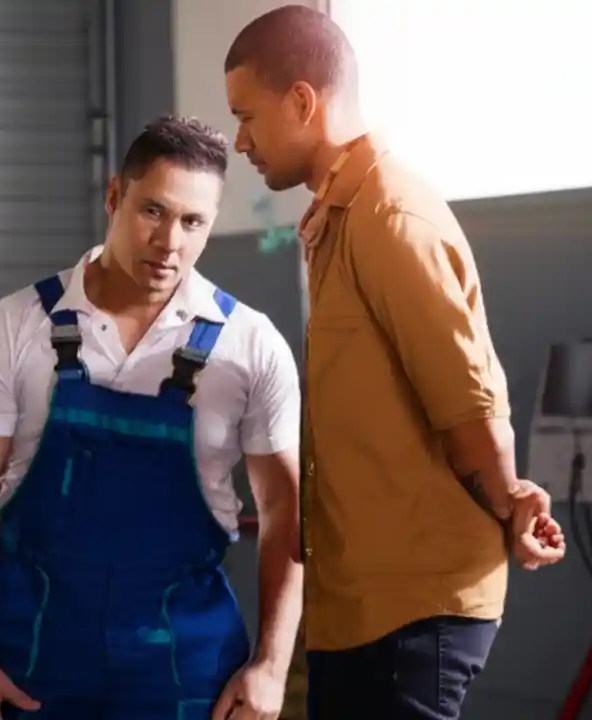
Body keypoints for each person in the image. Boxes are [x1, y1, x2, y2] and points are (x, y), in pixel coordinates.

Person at [222, 5, 567, 719]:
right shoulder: (338, 218)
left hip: (414, 610)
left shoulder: (389, 215)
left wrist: (510, 501)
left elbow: (470, 405)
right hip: (360, 606)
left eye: (247, 117)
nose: (240, 141)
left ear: (303, 102)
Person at [0, 116, 304, 720]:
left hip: (185, 676)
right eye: (153, 211)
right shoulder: (16, 326)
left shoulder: (251, 345)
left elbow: (286, 510)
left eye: (193, 222)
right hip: (32, 667)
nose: (170, 242)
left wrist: (272, 665)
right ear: (113, 196)